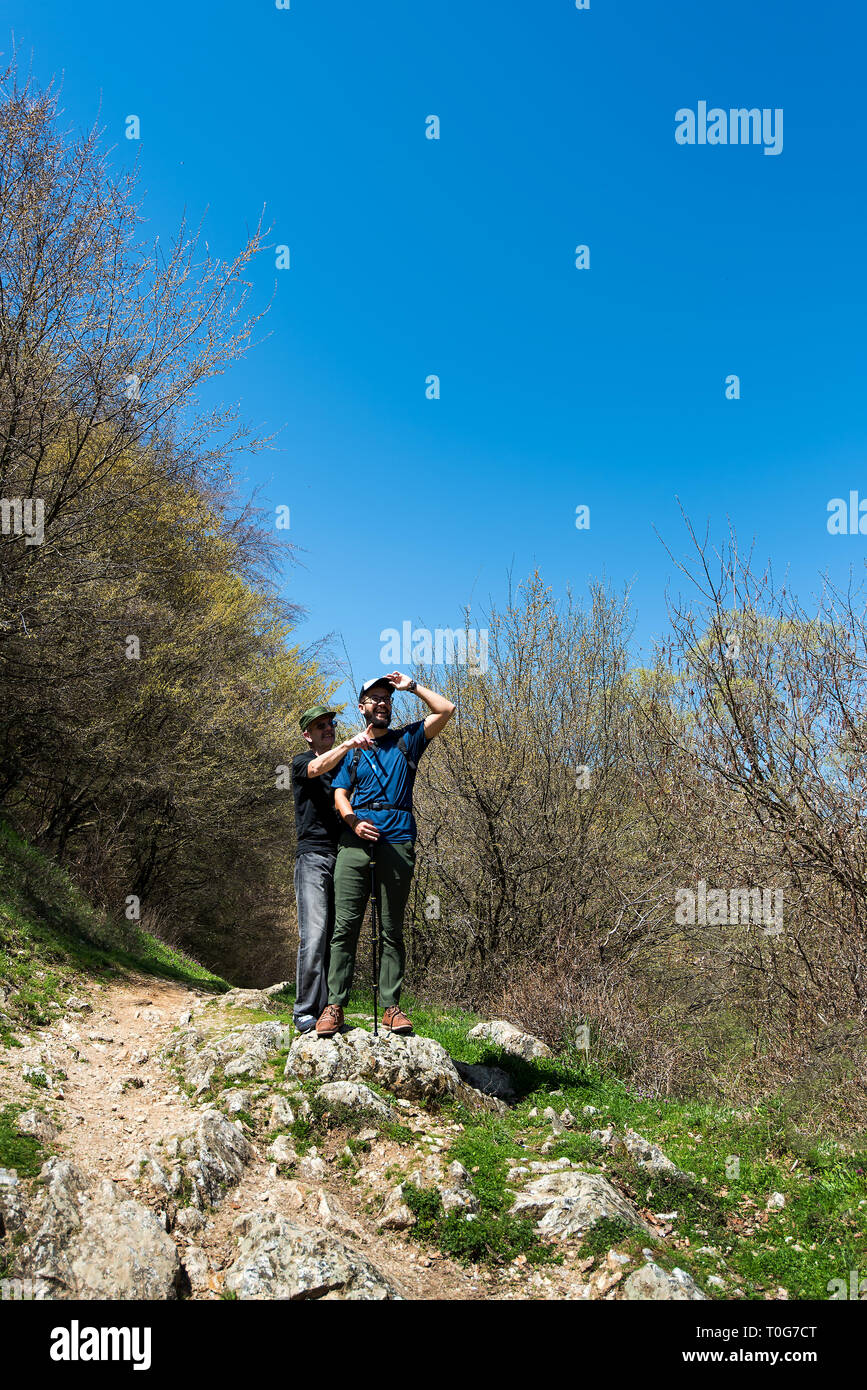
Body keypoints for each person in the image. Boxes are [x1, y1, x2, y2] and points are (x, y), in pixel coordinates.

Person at [315, 671, 455, 1037]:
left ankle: (391, 1007)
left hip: (398, 839)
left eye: (387, 698)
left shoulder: (408, 739)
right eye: (374, 698)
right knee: (345, 926)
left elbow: (446, 708)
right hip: (356, 841)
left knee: (392, 928)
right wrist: (353, 822)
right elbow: (339, 794)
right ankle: (334, 1006)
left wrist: (412, 686)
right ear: (362, 707)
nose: (381, 703)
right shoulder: (352, 748)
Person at [291, 706, 374, 1033]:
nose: (329, 728)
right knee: (313, 935)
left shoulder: (348, 766)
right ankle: (304, 1011)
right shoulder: (300, 761)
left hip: (343, 854)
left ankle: (330, 1009)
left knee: (335, 938)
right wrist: (349, 745)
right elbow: (315, 768)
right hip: (312, 856)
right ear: (307, 734)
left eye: (331, 724)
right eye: (320, 725)